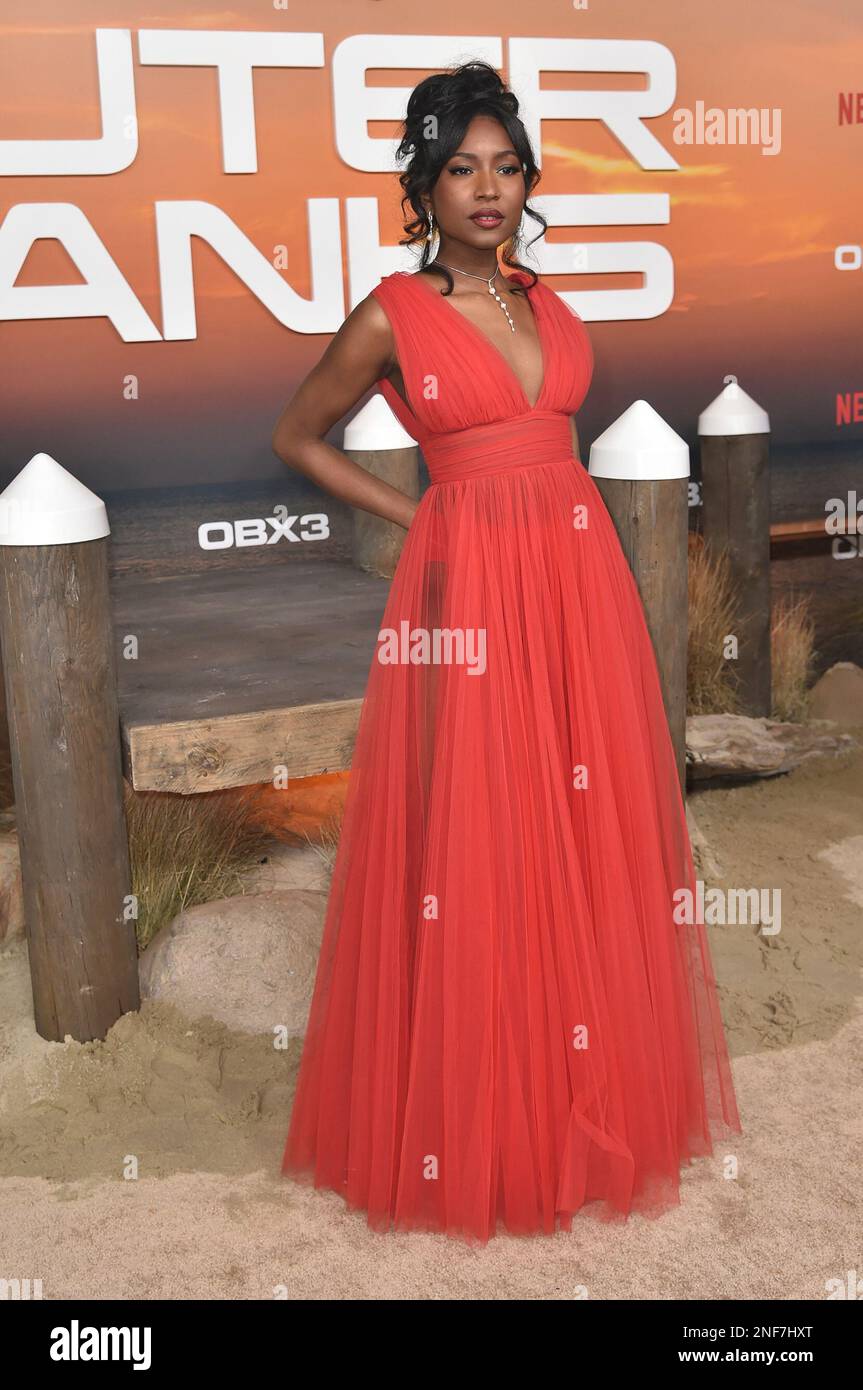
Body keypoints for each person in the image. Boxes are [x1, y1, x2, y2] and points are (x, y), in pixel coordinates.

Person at [271, 59, 742, 1246]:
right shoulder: (390, 310)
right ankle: (485, 1126)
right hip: (468, 588)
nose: (485, 188)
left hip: (577, 582)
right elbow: (296, 434)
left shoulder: (545, 300)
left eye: (504, 165)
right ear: (422, 189)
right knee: (479, 836)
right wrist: (417, 515)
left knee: (582, 835)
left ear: (525, 181)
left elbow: (548, 446)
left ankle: (583, 1102)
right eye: (458, 168)